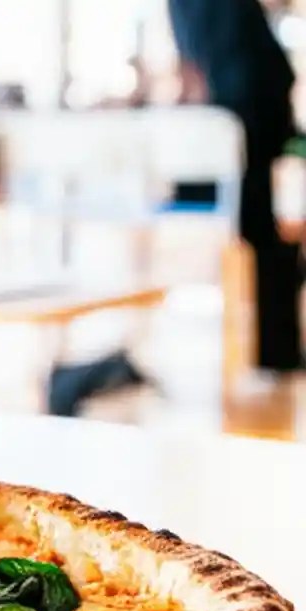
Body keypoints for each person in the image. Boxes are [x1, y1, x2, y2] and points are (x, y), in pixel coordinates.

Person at [170, 0, 304, 371]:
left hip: (241, 116)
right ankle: (274, 353)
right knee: (261, 241)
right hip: (245, 116)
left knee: (262, 241)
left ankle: (274, 352)